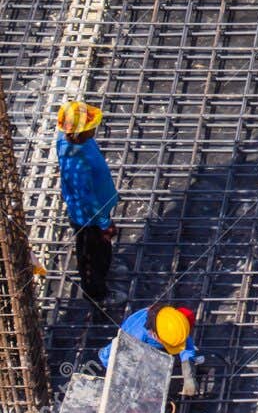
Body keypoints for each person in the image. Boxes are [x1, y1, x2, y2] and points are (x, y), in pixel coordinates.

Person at [55, 101, 119, 304]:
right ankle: (96, 294)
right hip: (89, 218)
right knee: (92, 256)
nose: (94, 128)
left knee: (101, 249)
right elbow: (86, 198)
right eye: (90, 127)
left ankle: (103, 272)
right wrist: (103, 223)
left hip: (99, 208)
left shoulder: (78, 139)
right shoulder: (75, 160)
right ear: (78, 133)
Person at [99, 303, 203, 396]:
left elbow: (185, 344)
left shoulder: (172, 324)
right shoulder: (135, 335)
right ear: (154, 335)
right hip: (138, 346)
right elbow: (113, 356)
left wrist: (189, 375)